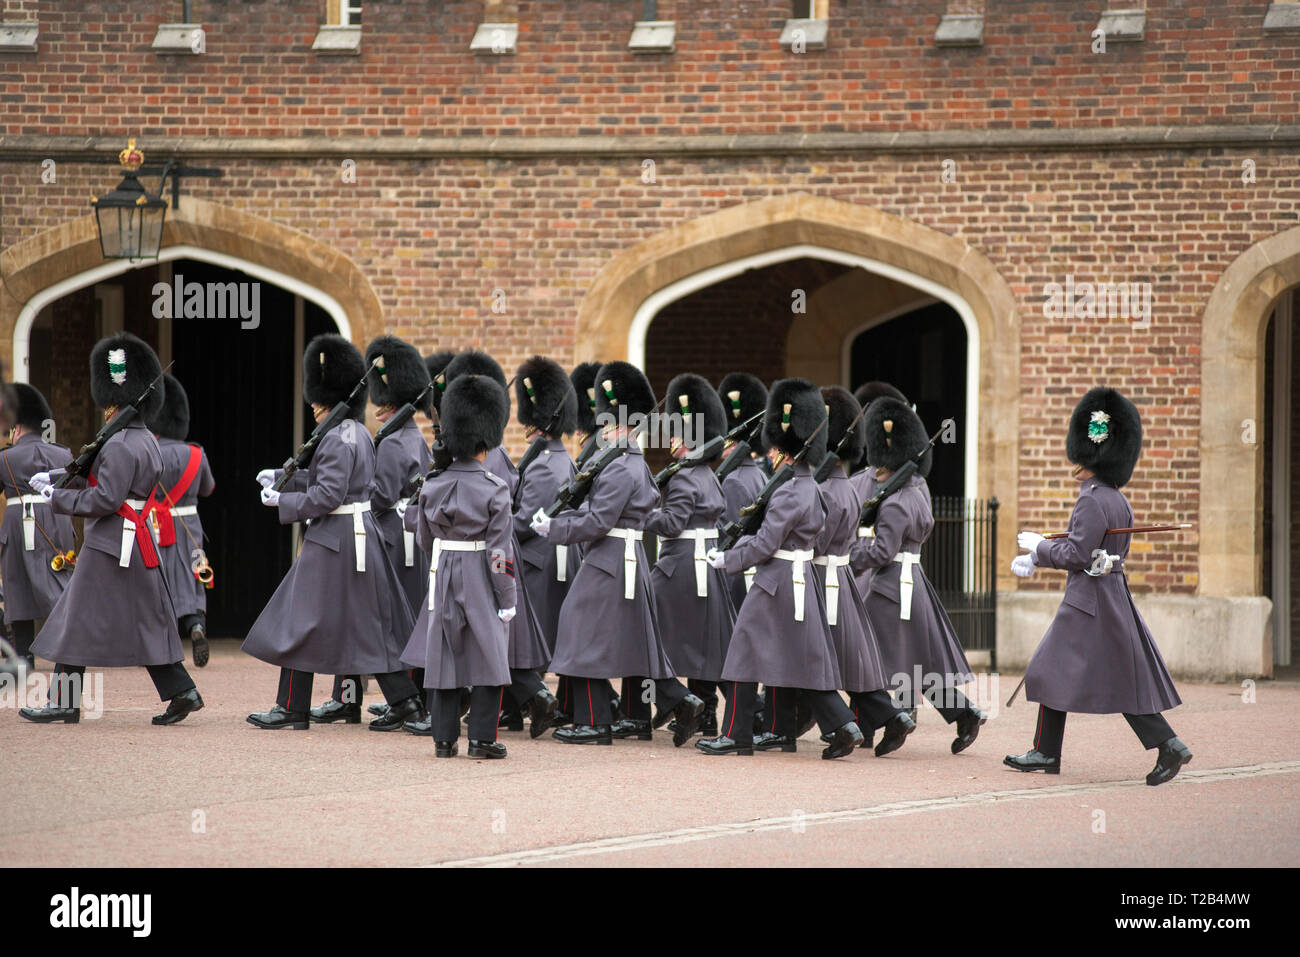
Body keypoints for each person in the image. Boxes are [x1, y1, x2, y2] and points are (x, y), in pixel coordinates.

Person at [1005, 386, 1191, 786]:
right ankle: (1052, 750)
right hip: (1109, 596)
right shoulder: (1115, 499)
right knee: (1109, 677)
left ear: (1085, 453)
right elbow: (1087, 548)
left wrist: (1040, 549)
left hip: (1087, 600)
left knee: (1047, 669)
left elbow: (1076, 554)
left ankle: (1164, 744)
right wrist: (1040, 552)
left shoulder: (1090, 499)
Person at [21, 333, 204, 725]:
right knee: (146, 619)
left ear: (112, 402)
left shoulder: (120, 443)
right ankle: (182, 690)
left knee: (75, 619)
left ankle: (64, 702)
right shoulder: (142, 440)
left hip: (110, 543)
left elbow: (104, 498)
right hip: (137, 540)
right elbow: (95, 472)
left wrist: (56, 498)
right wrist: (58, 476)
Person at [243, 334, 423, 731]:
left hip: (334, 540)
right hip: (355, 538)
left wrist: (282, 503)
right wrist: (281, 477)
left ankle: (292, 708)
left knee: (299, 617)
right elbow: (327, 479)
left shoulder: (337, 437)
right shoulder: (354, 432)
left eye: (317, 398)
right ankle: (406, 703)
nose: (312, 404)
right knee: (365, 624)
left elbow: (328, 493)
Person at [531, 361, 704, 746]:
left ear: (624, 426)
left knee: (581, 630)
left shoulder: (620, 468)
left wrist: (553, 528)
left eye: (608, 424)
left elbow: (598, 522)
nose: (602, 430)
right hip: (623, 559)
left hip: (609, 559)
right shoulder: (628, 462)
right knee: (631, 641)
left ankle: (596, 723)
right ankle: (678, 701)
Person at [696, 378, 864, 758]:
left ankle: (735, 736)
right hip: (799, 580)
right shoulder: (811, 487)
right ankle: (839, 724)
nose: (769, 454)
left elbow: (766, 544)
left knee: (741, 652)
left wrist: (728, 559)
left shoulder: (788, 491)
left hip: (775, 583)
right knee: (798, 658)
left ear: (785, 453)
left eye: (774, 449)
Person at [849, 397, 986, 754]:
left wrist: (849, 557)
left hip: (890, 588)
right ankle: (962, 712)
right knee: (913, 664)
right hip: (910, 585)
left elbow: (881, 552)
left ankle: (886, 721)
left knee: (865, 656)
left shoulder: (894, 502)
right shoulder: (914, 492)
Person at [438, 350, 559, 737]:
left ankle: (517, 703)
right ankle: (512, 706)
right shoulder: (499, 455)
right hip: (491, 555)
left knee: (473, 640)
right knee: (489, 640)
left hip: (483, 557)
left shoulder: (485, 459)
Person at [315, 335, 432, 725]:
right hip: (406, 537)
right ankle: (404, 698)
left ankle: (356, 700)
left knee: (366, 620)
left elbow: (378, 495)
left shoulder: (394, 443)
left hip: (385, 537)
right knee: (394, 620)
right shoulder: (415, 438)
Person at [400, 374, 517, 758]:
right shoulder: (495, 488)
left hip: (442, 568)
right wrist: (507, 593)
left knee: (444, 651)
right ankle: (482, 740)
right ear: (486, 440)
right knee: (489, 652)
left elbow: (423, 537)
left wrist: (441, 560)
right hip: (481, 572)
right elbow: (500, 551)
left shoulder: (432, 484)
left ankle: (444, 739)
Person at [813, 387, 915, 756]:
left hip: (826, 578)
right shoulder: (851, 485)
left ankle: (843, 725)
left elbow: (819, 540)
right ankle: (890, 717)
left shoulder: (830, 488)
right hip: (842, 578)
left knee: (812, 654)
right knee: (843, 656)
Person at [641, 372, 736, 739]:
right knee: (702, 643)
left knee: (647, 632)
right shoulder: (707, 475)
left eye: (679, 436)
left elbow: (671, 523)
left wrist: (640, 515)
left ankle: (681, 702)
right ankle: (704, 712)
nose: (673, 442)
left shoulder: (682, 478)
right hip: (704, 565)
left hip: (679, 566)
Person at [511, 356, 578, 696]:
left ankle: (535, 699)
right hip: (554, 556)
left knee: (526, 640)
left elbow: (523, 522)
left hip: (535, 560)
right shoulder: (563, 457)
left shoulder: (540, 465)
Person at [0, 383, 75, 672]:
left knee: (17, 588)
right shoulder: (62, 453)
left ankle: (23, 656)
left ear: (17, 427)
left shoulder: (6, 457)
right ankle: (70, 646)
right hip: (57, 520)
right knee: (59, 584)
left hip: (19, 524)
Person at [144, 374, 215, 668]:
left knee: (159, 580)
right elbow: (208, 488)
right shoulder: (196, 454)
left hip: (156, 526)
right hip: (190, 526)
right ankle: (196, 626)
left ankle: (165, 646)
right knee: (192, 577)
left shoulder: (149, 451)